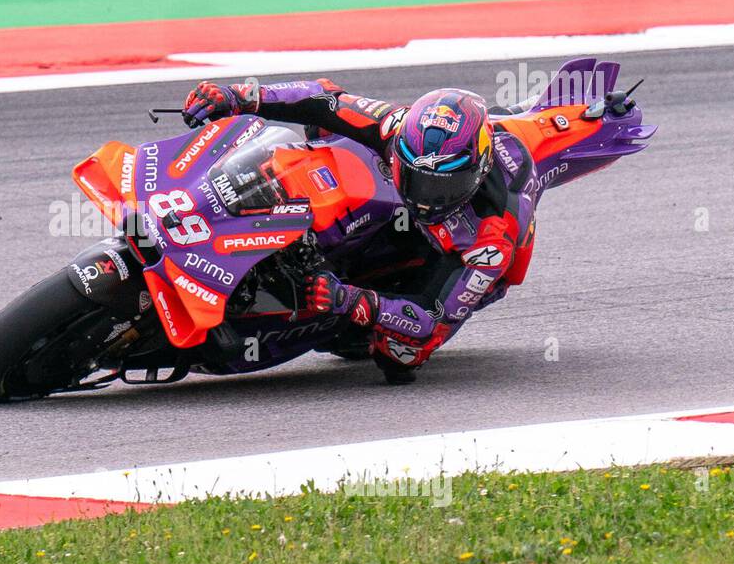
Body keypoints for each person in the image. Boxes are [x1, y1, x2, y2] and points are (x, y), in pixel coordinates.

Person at [182, 78, 537, 384]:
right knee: (324, 131)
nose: (424, 194)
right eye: (415, 175)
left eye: (439, 186)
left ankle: (362, 298)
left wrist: (351, 300)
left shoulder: (492, 238)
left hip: (451, 259)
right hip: (390, 201)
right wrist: (239, 96)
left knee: (398, 354)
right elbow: (323, 98)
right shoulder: (395, 127)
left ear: (475, 173)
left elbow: (432, 317)